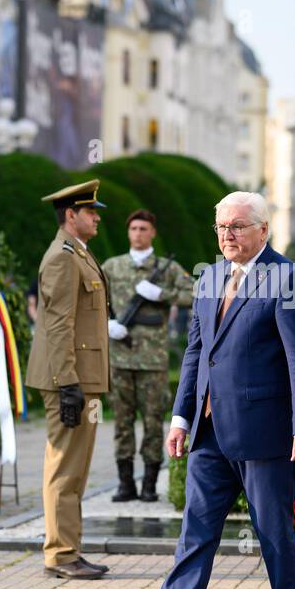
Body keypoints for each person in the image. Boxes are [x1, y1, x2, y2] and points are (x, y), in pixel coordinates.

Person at [129, 191, 295, 589]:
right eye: (220, 227)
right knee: (196, 527)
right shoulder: (211, 277)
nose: (227, 235)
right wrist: (180, 416)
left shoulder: (287, 279)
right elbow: (197, 353)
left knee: (273, 532)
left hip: (266, 432)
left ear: (263, 230)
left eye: (237, 226)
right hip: (209, 432)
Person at [24, 179, 113, 580]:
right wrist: (67, 383)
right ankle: (60, 554)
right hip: (70, 379)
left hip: (84, 380)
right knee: (65, 467)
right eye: (91, 211)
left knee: (76, 468)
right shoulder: (61, 258)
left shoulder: (79, 253)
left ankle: (69, 549)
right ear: (71, 215)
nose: (97, 217)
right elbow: (58, 325)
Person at [102, 209, 194, 502]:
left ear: (152, 232)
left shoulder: (166, 268)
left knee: (154, 422)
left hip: (153, 361)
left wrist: (161, 294)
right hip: (119, 356)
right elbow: (92, 299)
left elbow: (195, 293)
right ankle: (125, 483)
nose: (138, 234)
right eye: (134, 229)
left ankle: (150, 485)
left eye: (144, 229)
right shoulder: (112, 267)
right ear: (128, 233)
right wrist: (106, 323)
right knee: (122, 422)